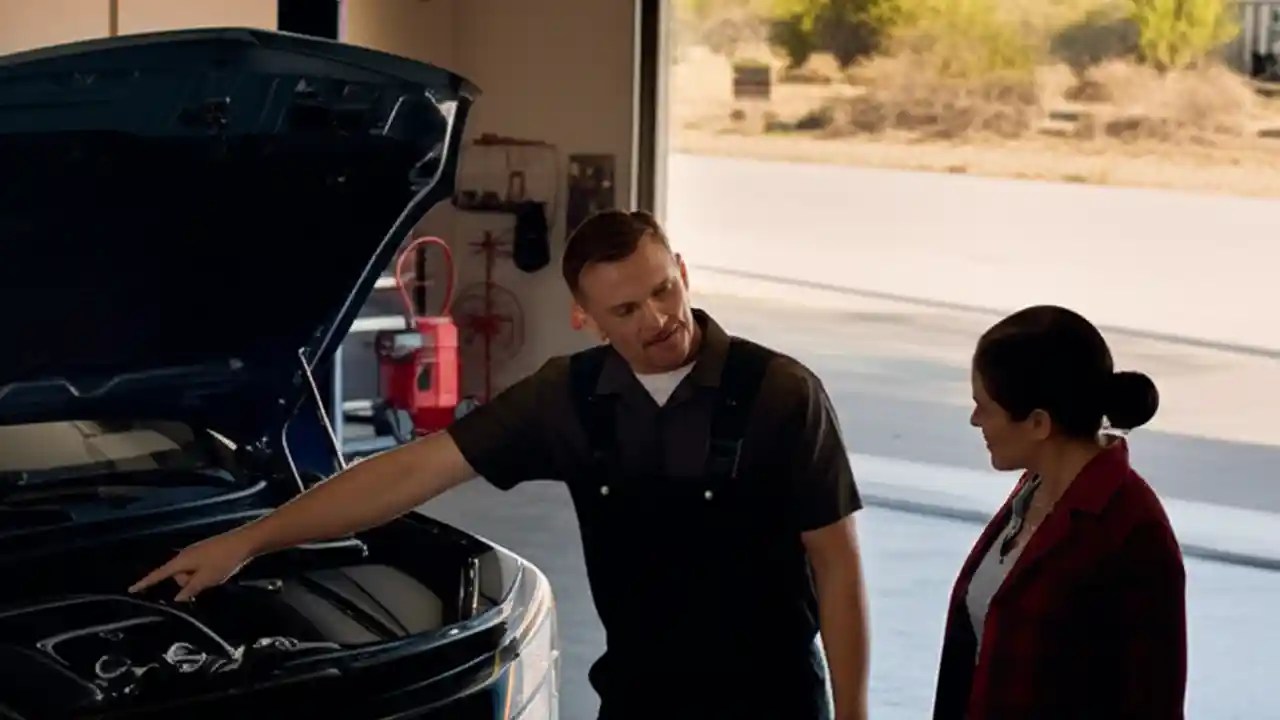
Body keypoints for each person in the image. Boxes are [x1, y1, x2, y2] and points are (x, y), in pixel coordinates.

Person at [130, 209, 871, 720]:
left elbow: (837, 566)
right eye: (626, 311)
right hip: (641, 698)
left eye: (663, 290)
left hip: (771, 701)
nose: (657, 321)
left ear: (681, 269)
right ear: (584, 315)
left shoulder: (779, 391)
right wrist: (248, 540)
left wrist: (855, 713)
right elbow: (412, 471)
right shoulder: (566, 398)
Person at [932, 305, 1187, 719]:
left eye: (985, 406)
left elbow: (1152, 703)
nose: (974, 419)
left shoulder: (1133, 532)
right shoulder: (1032, 490)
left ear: (1038, 423)